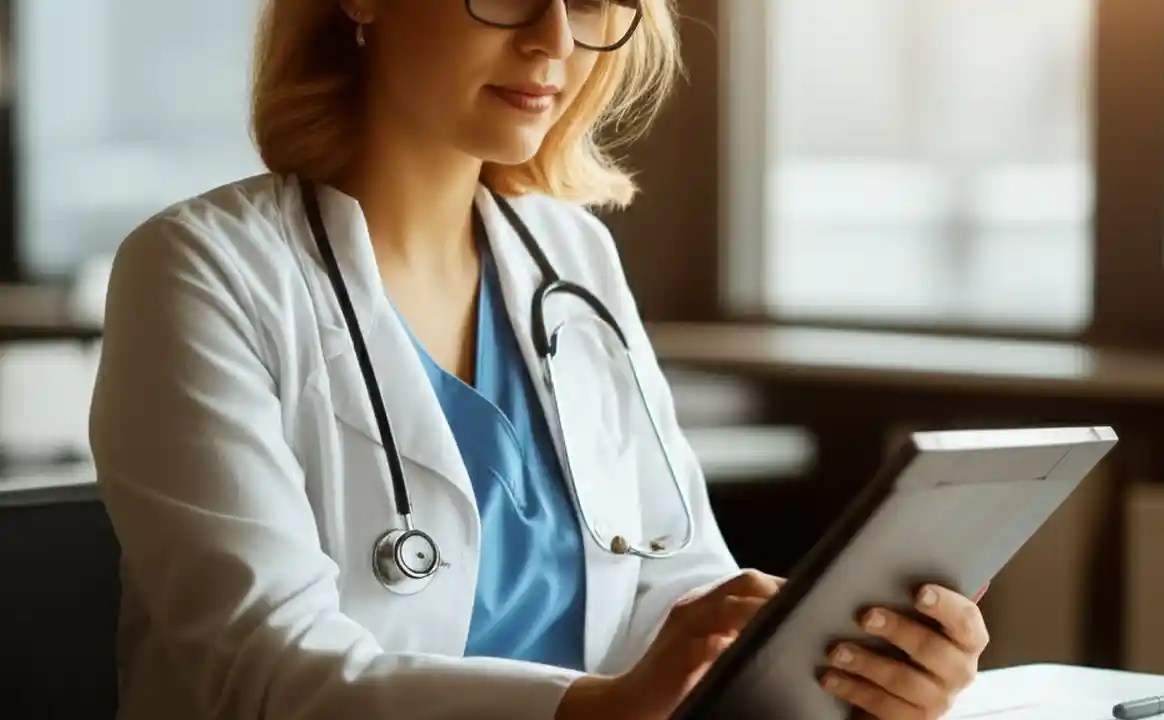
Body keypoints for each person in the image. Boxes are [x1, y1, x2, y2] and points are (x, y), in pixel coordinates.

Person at [88, 1, 990, 718]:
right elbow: (265, 673)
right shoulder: (203, 270)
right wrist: (597, 709)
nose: (555, 39)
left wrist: (847, 664)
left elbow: (675, 587)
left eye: (592, 0)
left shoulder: (571, 257)